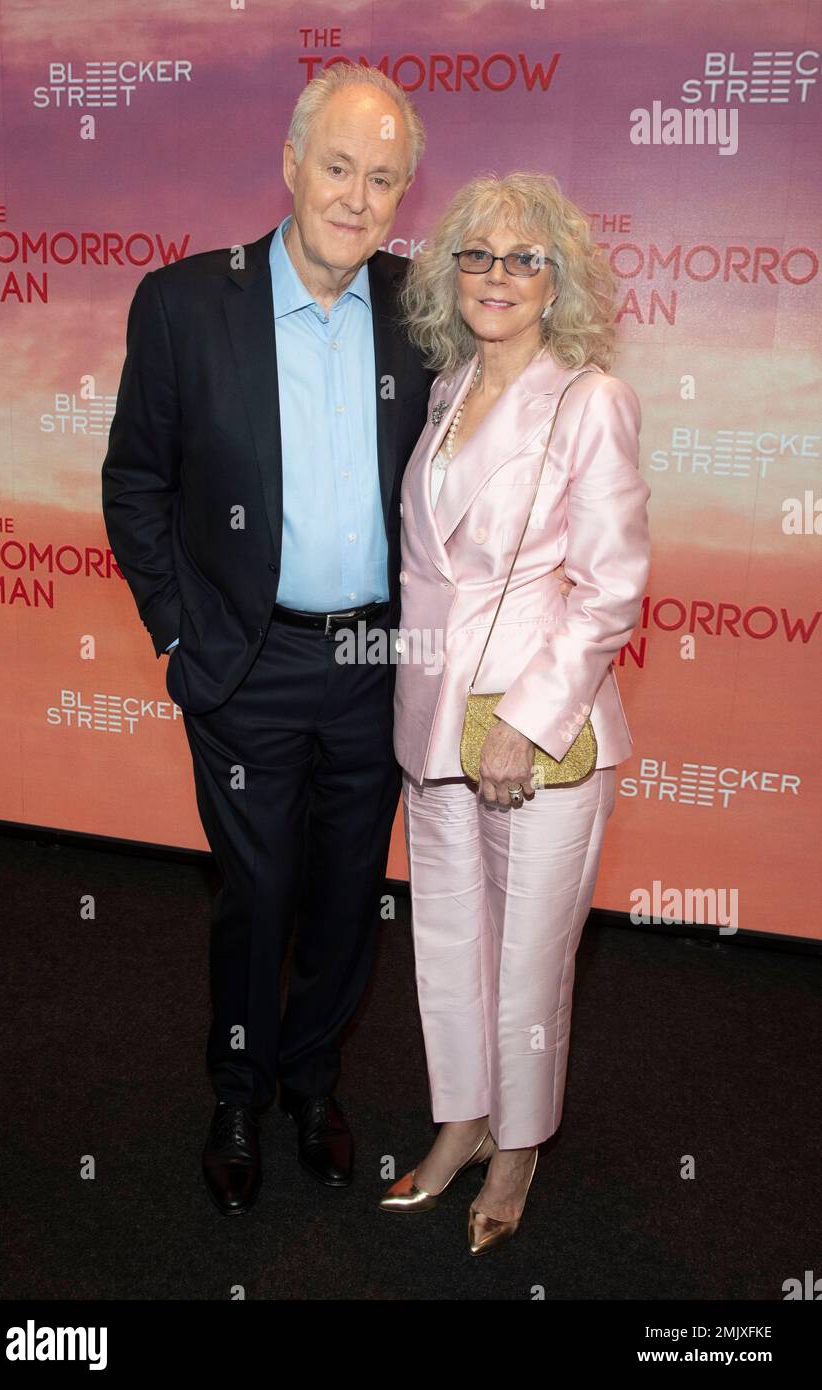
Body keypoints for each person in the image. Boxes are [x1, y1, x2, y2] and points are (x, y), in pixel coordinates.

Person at [101, 64, 433, 1216]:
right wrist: (177, 632)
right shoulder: (185, 304)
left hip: (374, 664)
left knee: (348, 890)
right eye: (337, 166)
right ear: (290, 164)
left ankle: (312, 1081)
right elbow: (135, 484)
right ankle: (237, 1091)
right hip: (246, 661)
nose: (355, 196)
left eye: (381, 178)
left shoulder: (423, 308)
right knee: (257, 889)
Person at [379, 171, 651, 1255]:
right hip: (429, 722)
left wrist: (526, 722)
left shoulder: (589, 400)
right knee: (448, 938)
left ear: (557, 280)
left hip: (537, 736)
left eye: (524, 259)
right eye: (477, 255)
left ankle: (520, 1145)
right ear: (450, 273)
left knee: (530, 956)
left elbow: (610, 588)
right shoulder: (446, 391)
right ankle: (462, 1120)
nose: (498, 276)